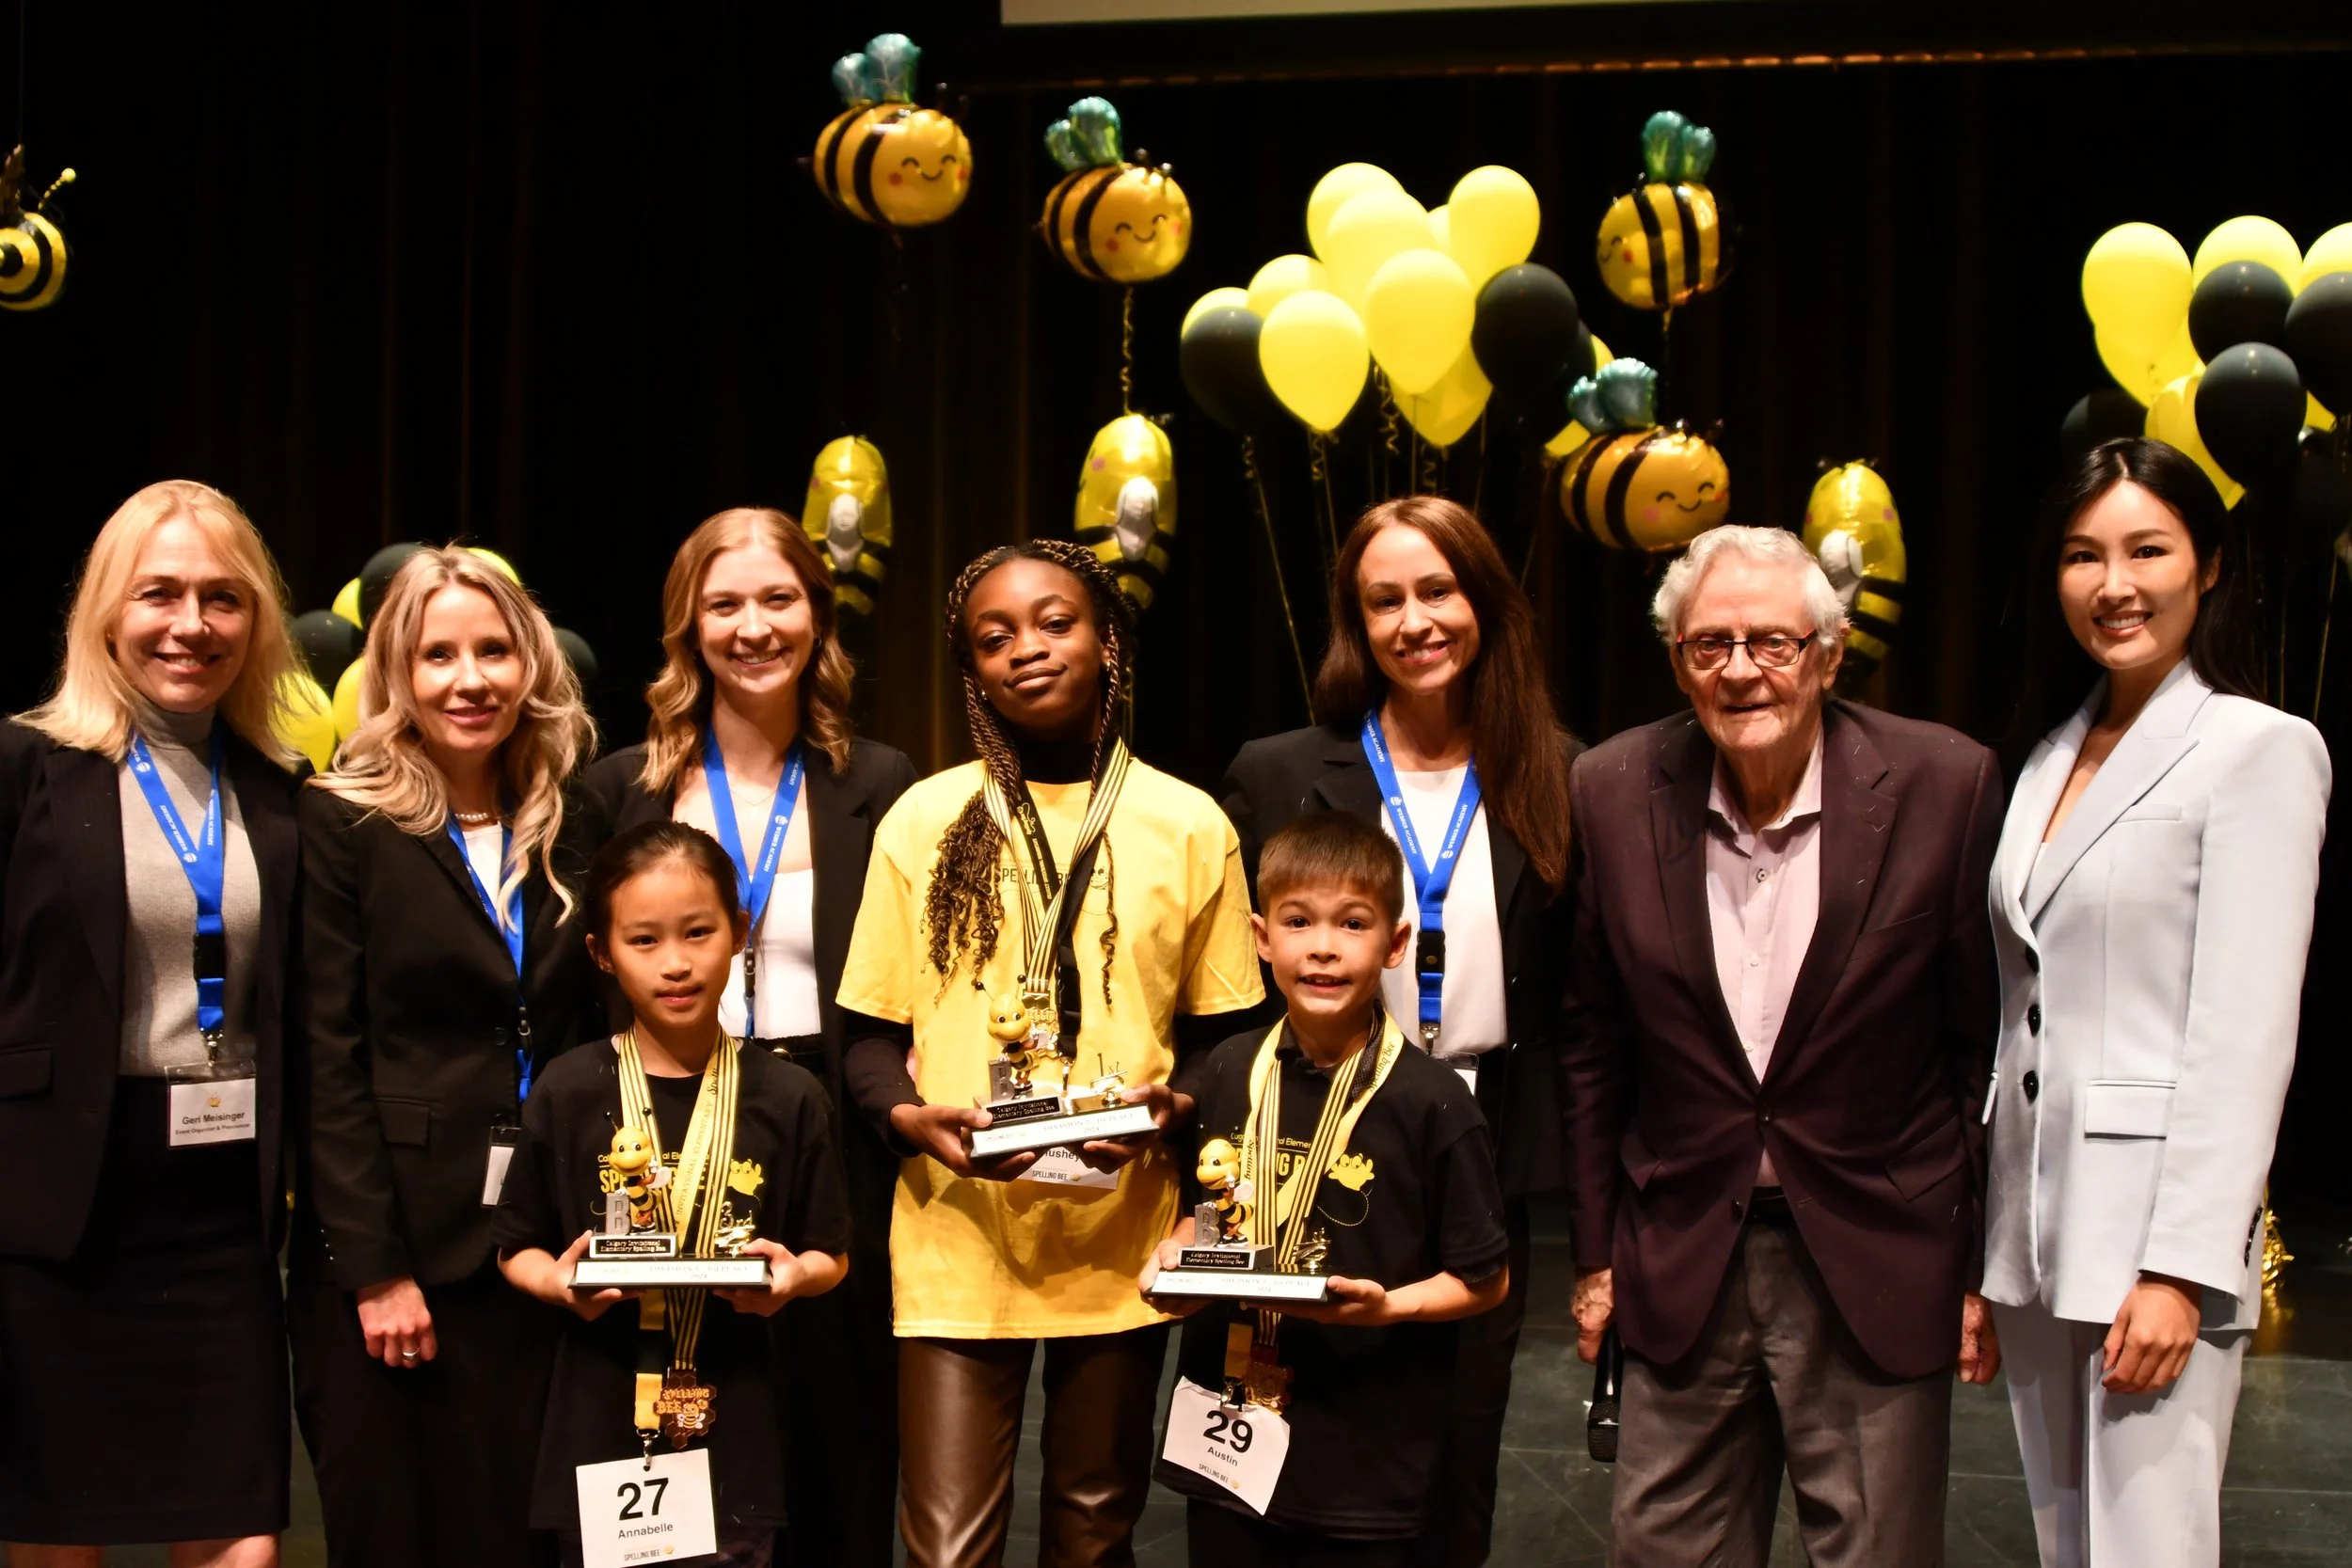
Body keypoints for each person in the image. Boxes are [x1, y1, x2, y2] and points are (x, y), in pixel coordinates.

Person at [1562, 523, 2004, 1566]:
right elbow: (1591, 1043)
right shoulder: (1613, 788)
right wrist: (1592, 1257)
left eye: (1772, 641)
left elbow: (1981, 1047)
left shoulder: (1947, 782)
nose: (1741, 670)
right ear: (1677, 662)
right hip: (1681, 1255)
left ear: (1829, 651)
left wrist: (1978, 1265)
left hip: (1876, 1254)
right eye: (1708, 645)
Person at [836, 539, 1263, 1568]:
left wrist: (1169, 1112)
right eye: (995, 637)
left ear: (1108, 641)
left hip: (1116, 1238)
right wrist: (910, 1120)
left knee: (1092, 1525)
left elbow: (1228, 1034)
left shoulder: (1189, 821)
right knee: (946, 1545)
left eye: (1054, 621)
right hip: (956, 1234)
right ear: (972, 672)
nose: (1026, 648)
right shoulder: (924, 818)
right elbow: (866, 1037)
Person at [1982, 438, 2330, 1568]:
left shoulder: (2257, 749)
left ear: (2209, 565)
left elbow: (2244, 1031)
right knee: (2064, 1548)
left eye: (2146, 549)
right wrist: (1984, 1255)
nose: (2113, 583)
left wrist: (2181, 1266)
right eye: (2083, 555)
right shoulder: (2043, 753)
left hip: (2150, 1240)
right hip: (2034, 1235)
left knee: (2151, 1552)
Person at [1217, 496, 1575, 1567]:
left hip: (1474, 1146)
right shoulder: (1279, 771)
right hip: (1300, 1150)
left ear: (1485, 603)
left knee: (1453, 1461)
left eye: (1438, 589)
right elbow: (1236, 990)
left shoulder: (1558, 770)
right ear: (1356, 621)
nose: (1416, 619)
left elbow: (1573, 997)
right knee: (1282, 1444)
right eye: (1386, 599)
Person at [579, 507, 915, 1567]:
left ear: (817, 614)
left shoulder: (882, 780)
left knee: (838, 1444)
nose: (753, 625)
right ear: (689, 626)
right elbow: (593, 990)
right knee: (685, 1430)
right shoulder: (617, 788)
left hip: (835, 1133)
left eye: (778, 598)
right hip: (665, 1123)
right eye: (724, 603)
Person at [0, 482, 305, 1567]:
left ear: (256, 622)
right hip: (52, 1210)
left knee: (239, 1532)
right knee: (53, 1532)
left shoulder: (281, 791)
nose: (191, 624)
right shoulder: (25, 766)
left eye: (223, 598)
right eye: (160, 593)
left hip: (219, 1209)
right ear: (106, 613)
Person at [288, 546, 600, 1568]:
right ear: (398, 676)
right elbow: (326, 1060)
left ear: (531, 663)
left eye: (494, 650)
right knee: (399, 1536)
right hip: (402, 1257)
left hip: (543, 1247)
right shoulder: (342, 818)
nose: (471, 679)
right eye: (439, 655)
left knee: (526, 1536)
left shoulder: (575, 818)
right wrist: (373, 1270)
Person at [1144, 811, 1509, 1568]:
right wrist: (1173, 1262)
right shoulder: (1228, 1069)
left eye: (1352, 922)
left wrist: (1388, 1308)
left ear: (1396, 942)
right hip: (1229, 1432)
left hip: (1367, 1447)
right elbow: (1207, 1214)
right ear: (1261, 935)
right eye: (1298, 920)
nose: (1321, 945)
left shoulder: (1433, 1099)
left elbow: (1486, 1278)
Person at [497, 820, 852, 1567]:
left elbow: (831, 1252)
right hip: (599, 1419)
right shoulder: (568, 1088)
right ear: (601, 953)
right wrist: (558, 1282)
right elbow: (517, 1244)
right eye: (645, 940)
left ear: (740, 931)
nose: (678, 964)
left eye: (698, 932)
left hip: (739, 1420)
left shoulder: (789, 1094)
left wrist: (794, 1277)